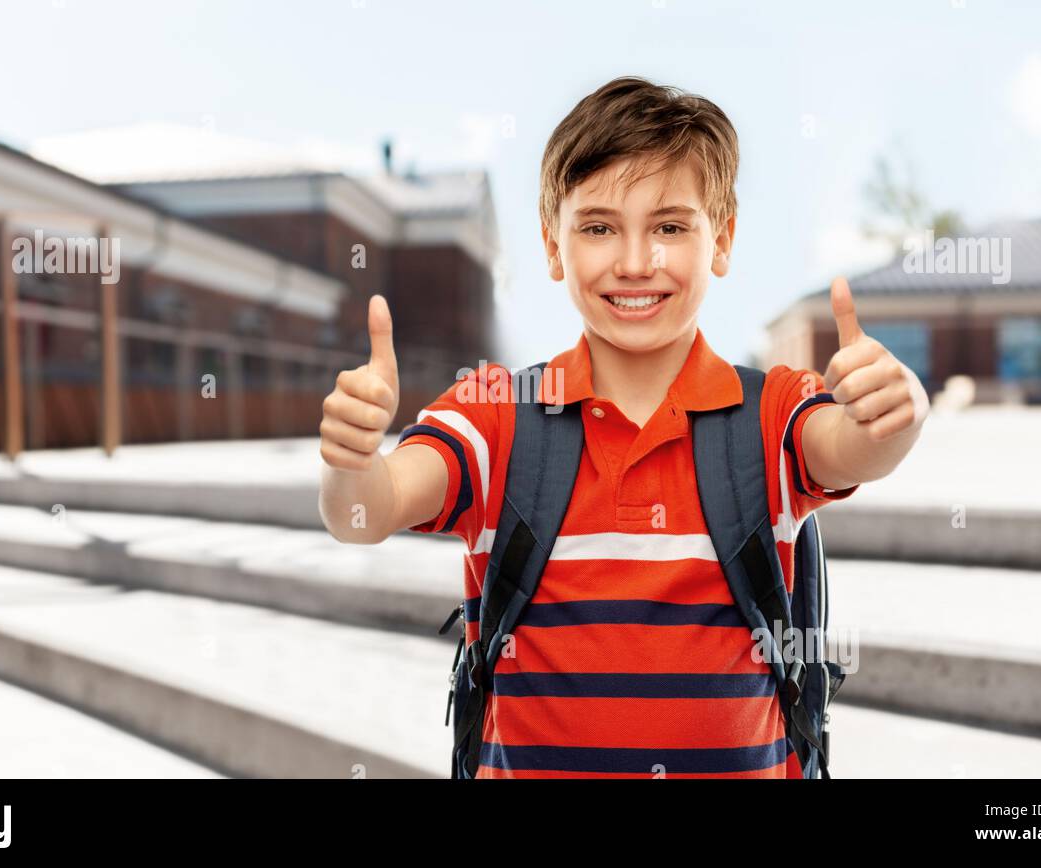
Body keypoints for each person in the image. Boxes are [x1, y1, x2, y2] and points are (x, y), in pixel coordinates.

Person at [319, 75, 929, 778]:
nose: (636, 262)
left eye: (670, 227)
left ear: (721, 241)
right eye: (599, 227)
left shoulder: (773, 411)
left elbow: (855, 448)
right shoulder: (493, 413)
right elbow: (365, 512)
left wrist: (894, 407)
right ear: (553, 247)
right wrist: (350, 458)